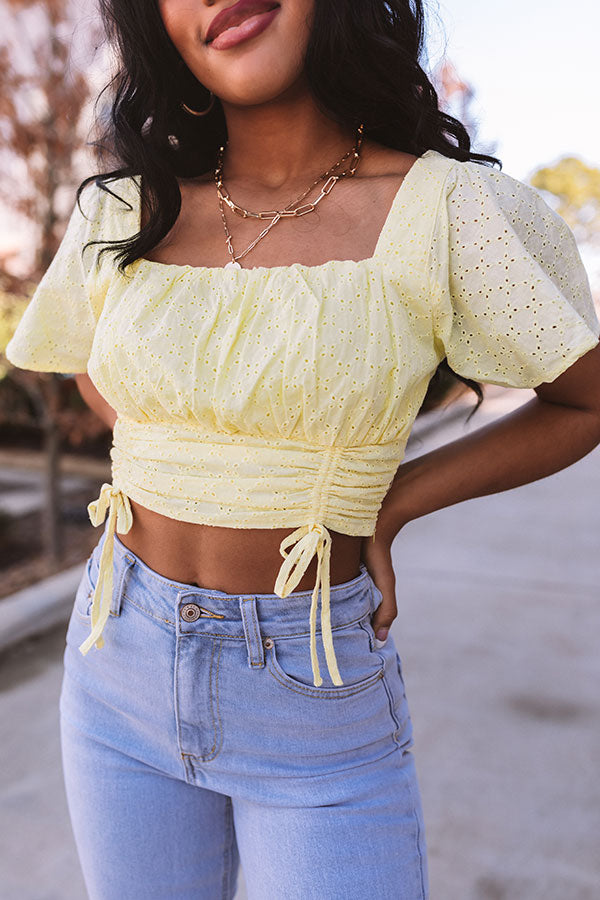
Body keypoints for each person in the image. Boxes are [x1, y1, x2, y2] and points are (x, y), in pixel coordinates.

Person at [6, 0, 600, 897]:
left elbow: (581, 400)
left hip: (313, 687)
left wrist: (388, 505)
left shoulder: (444, 210)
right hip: (115, 655)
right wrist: (186, 461)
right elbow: (89, 359)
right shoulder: (126, 210)